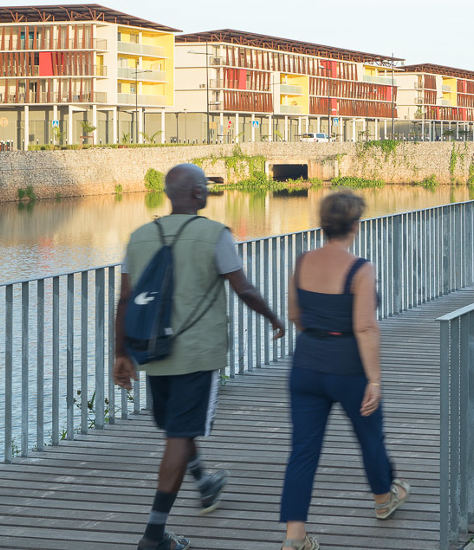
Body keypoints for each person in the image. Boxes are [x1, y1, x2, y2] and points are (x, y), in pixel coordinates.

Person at [113, 164, 286, 550]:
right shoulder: (214, 234)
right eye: (204, 185)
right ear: (195, 193)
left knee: (178, 426)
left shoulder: (140, 237)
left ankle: (204, 482)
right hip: (197, 354)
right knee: (179, 432)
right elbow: (243, 289)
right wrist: (273, 317)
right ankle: (154, 535)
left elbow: (126, 299)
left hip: (154, 350)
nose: (206, 189)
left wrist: (120, 353)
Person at [280, 192, 409, 550]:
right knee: (370, 436)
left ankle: (294, 537)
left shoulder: (303, 261)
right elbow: (366, 327)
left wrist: (319, 337)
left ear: (323, 224)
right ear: (355, 225)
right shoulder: (360, 269)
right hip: (348, 368)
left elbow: (295, 316)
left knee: (303, 451)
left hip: (305, 365)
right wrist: (375, 380)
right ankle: (383, 501)